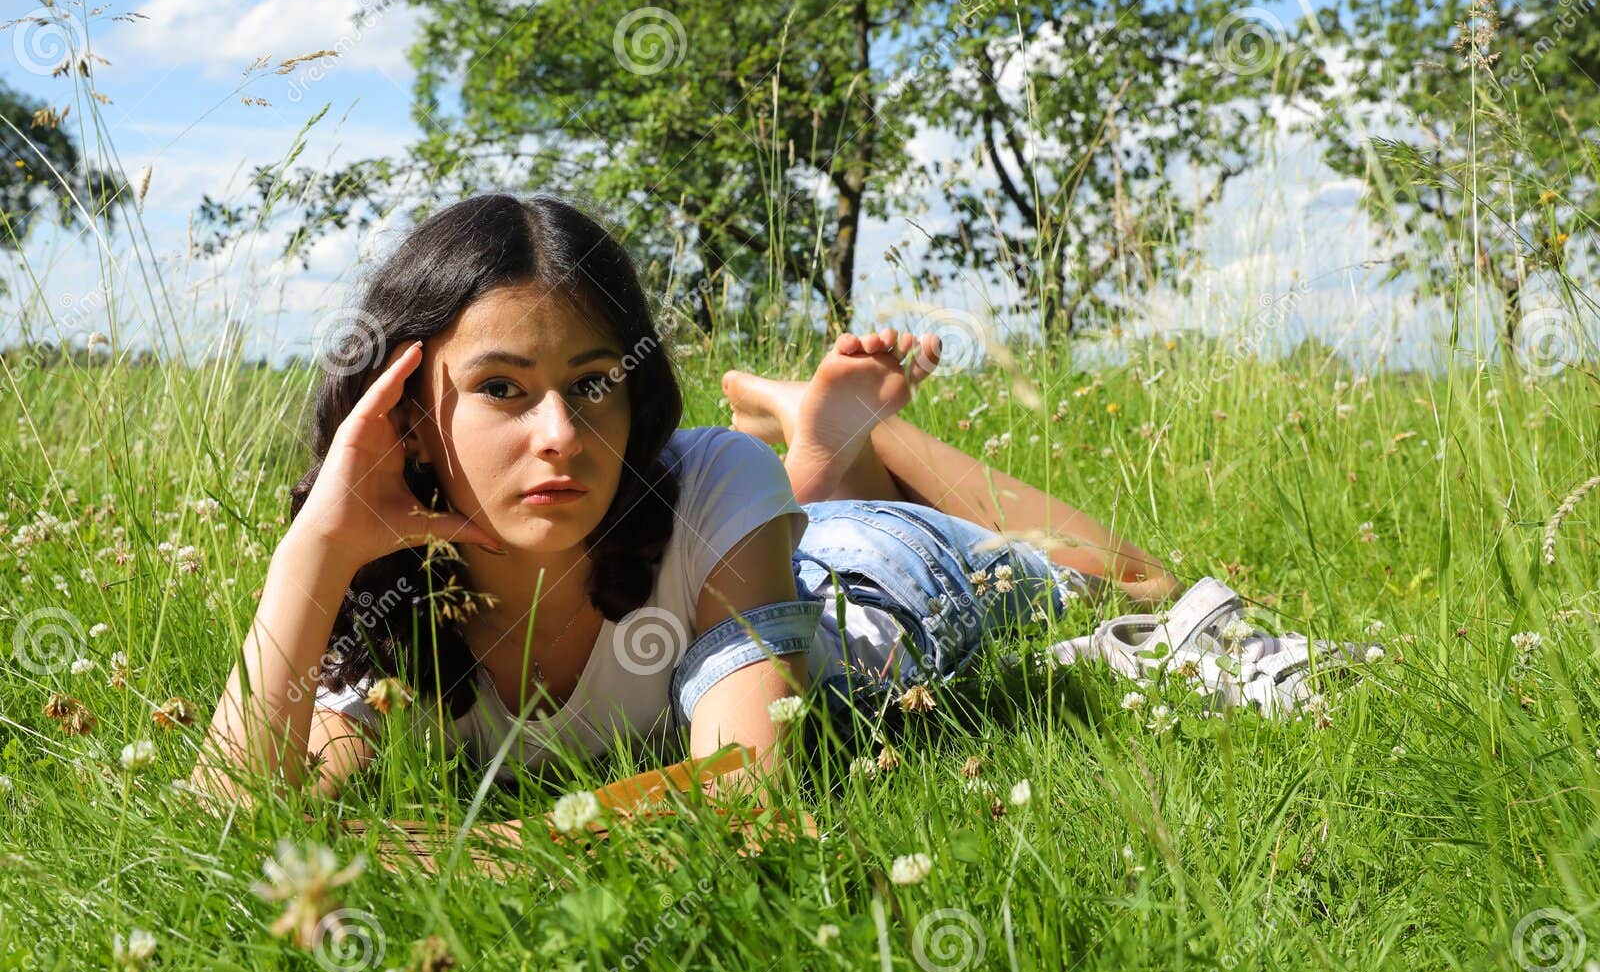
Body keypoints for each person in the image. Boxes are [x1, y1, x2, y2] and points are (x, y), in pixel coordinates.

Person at [189, 193, 1180, 810]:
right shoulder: (392, 608)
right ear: (405, 416)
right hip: (746, 551)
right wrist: (315, 546)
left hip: (869, 597)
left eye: (591, 382)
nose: (560, 435)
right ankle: (812, 453)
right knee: (754, 505)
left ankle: (848, 440)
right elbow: (238, 813)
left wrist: (460, 859)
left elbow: (749, 788)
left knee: (1141, 584)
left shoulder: (703, 476)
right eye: (499, 388)